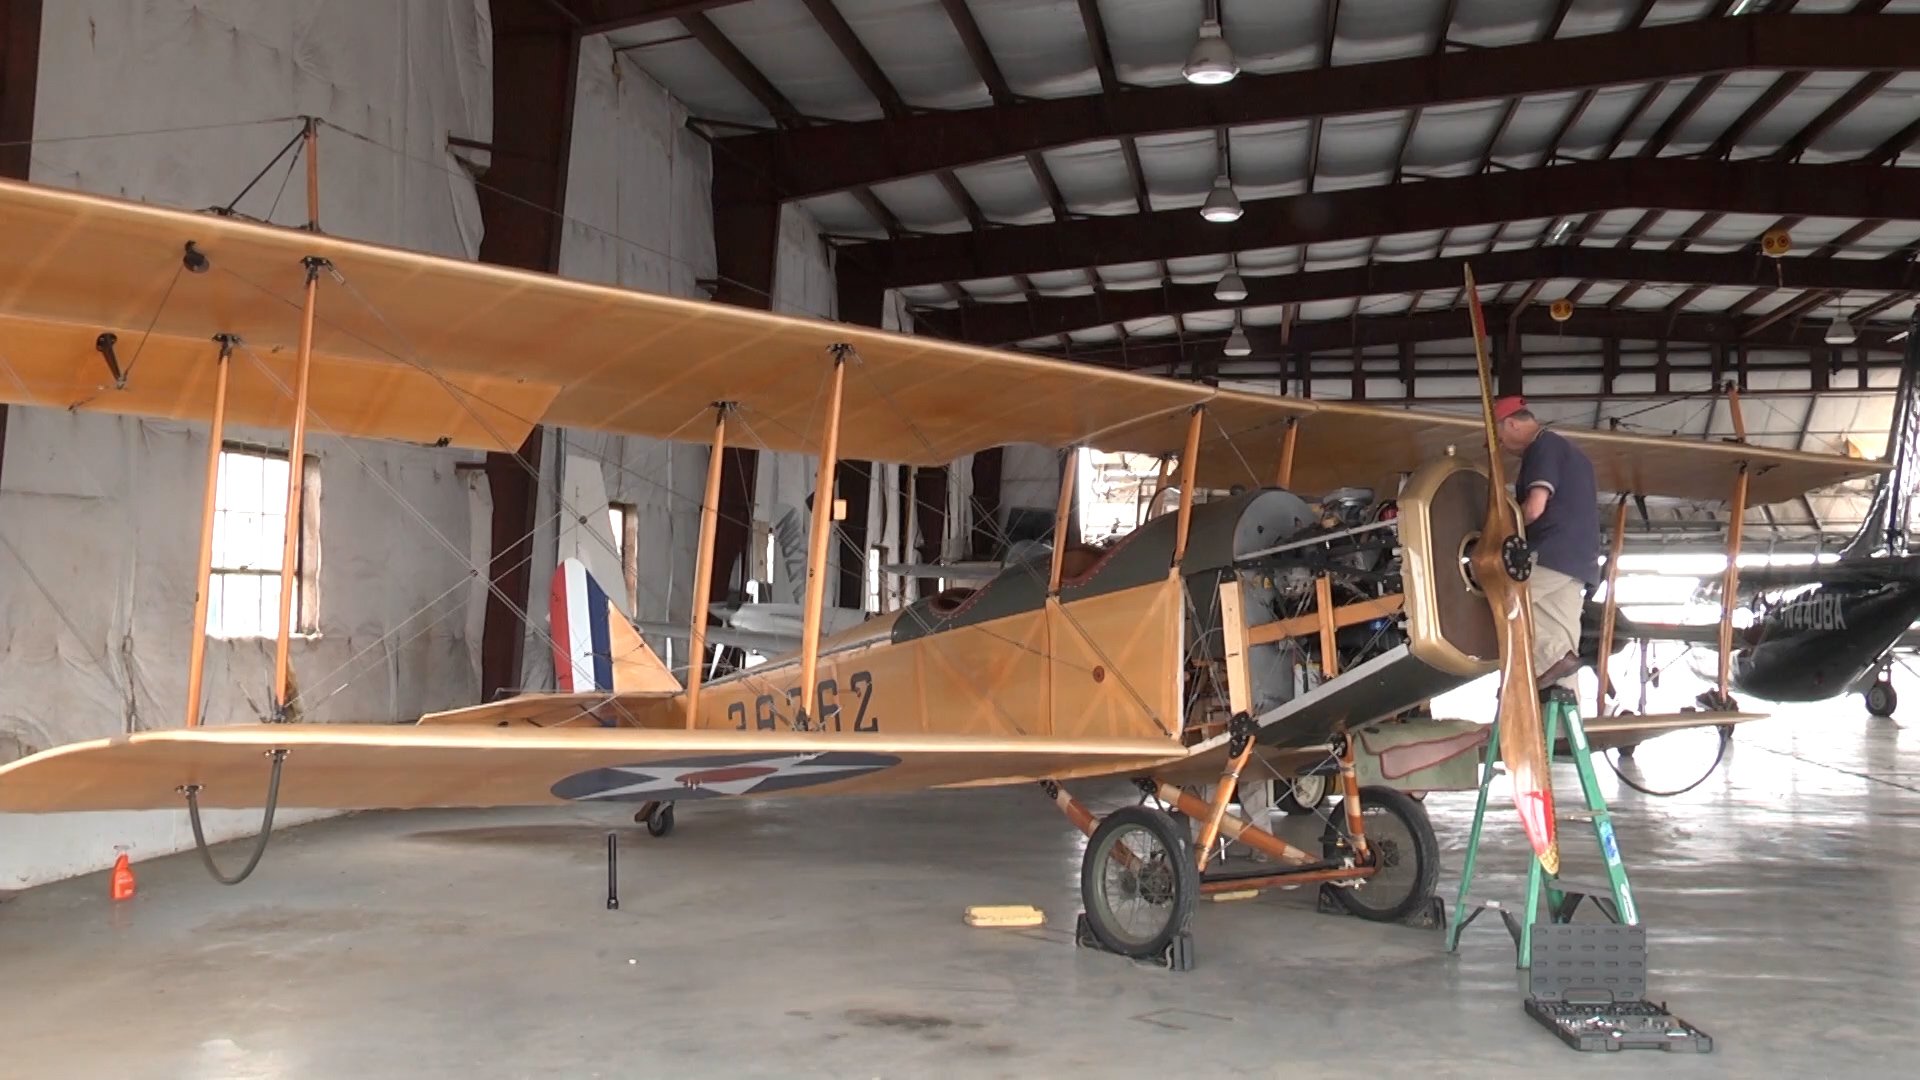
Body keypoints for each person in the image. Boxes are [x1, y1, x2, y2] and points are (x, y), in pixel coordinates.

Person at [1493, 396, 1600, 688]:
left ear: (1512, 423)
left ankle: (1544, 666)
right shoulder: (1575, 454)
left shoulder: (1543, 446)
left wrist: (1501, 534)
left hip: (1551, 552)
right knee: (1564, 642)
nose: (1502, 445)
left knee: (1500, 601)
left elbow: (1535, 508)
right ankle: (1565, 723)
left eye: (1500, 437)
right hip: (1579, 563)